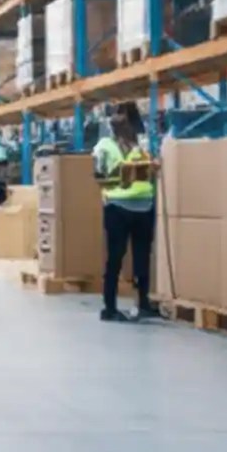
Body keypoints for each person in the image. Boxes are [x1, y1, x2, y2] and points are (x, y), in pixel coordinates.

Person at [93, 102, 160, 322]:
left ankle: (143, 302)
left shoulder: (141, 146)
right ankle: (109, 307)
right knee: (115, 258)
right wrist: (123, 175)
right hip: (117, 208)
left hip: (144, 207)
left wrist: (152, 168)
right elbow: (100, 177)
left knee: (143, 258)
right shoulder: (104, 146)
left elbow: (149, 171)